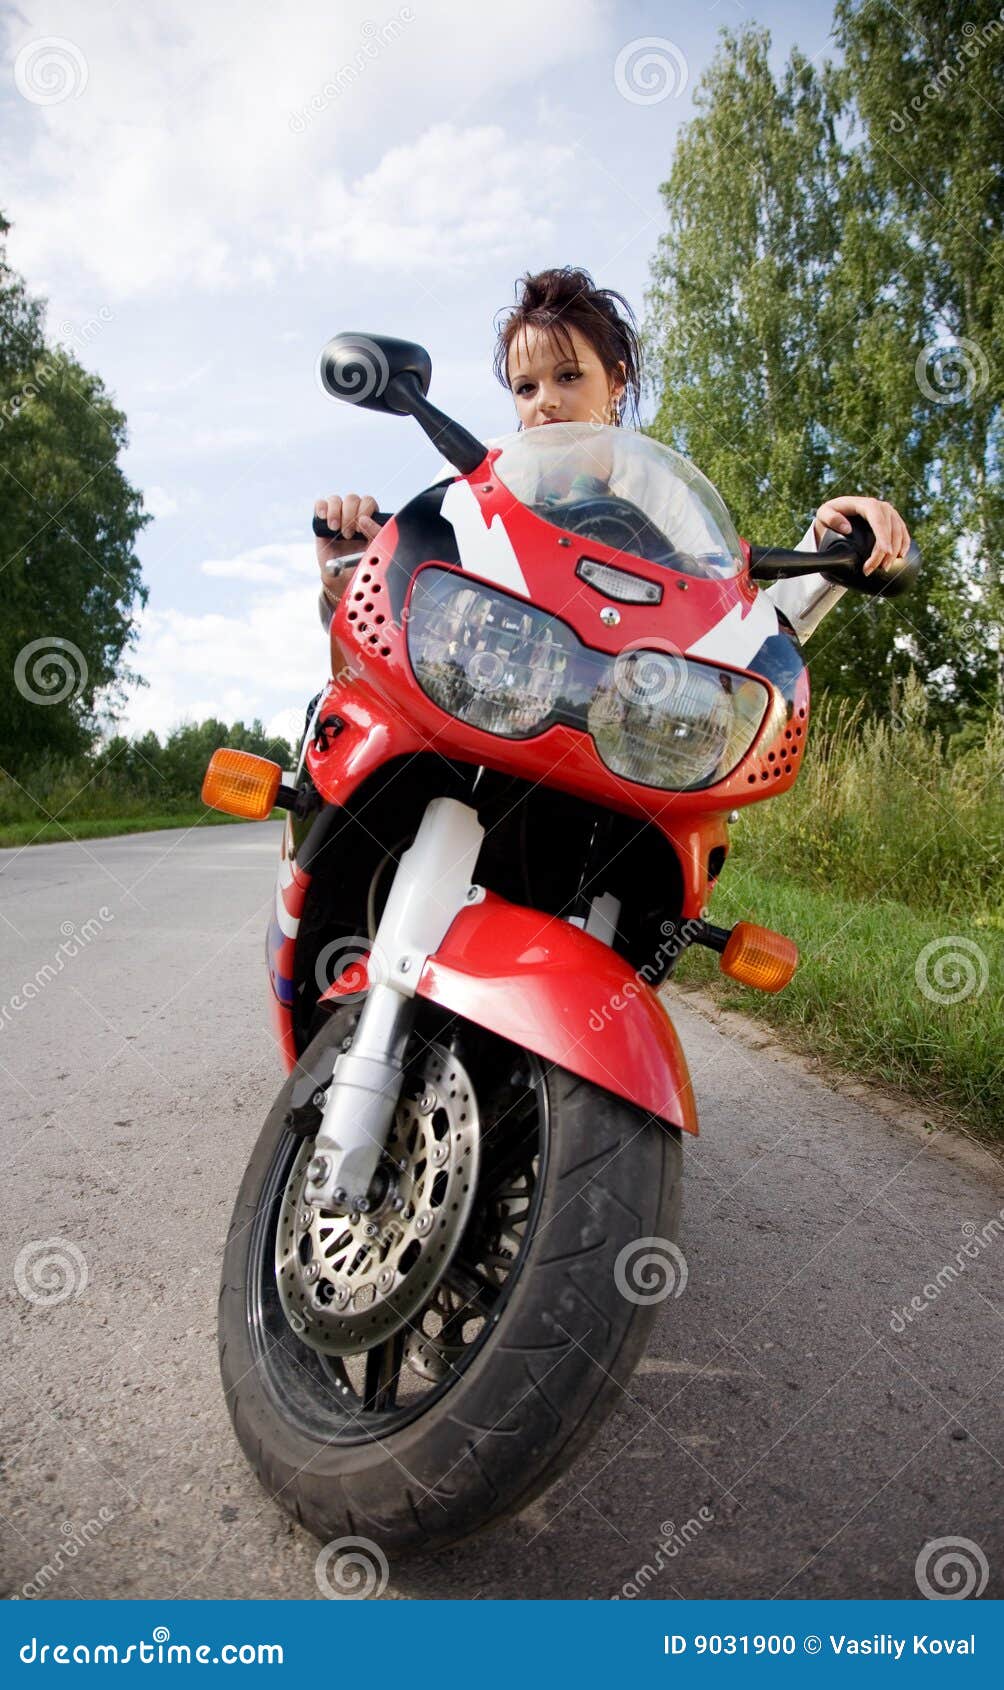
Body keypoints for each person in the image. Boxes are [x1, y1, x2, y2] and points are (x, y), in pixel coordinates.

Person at [313, 266, 911, 639]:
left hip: (614, 737)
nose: (546, 401)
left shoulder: (665, 493)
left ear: (616, 382)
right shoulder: (470, 481)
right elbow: (399, 618)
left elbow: (740, 627)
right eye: (526, 387)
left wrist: (825, 546)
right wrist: (350, 574)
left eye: (569, 376)